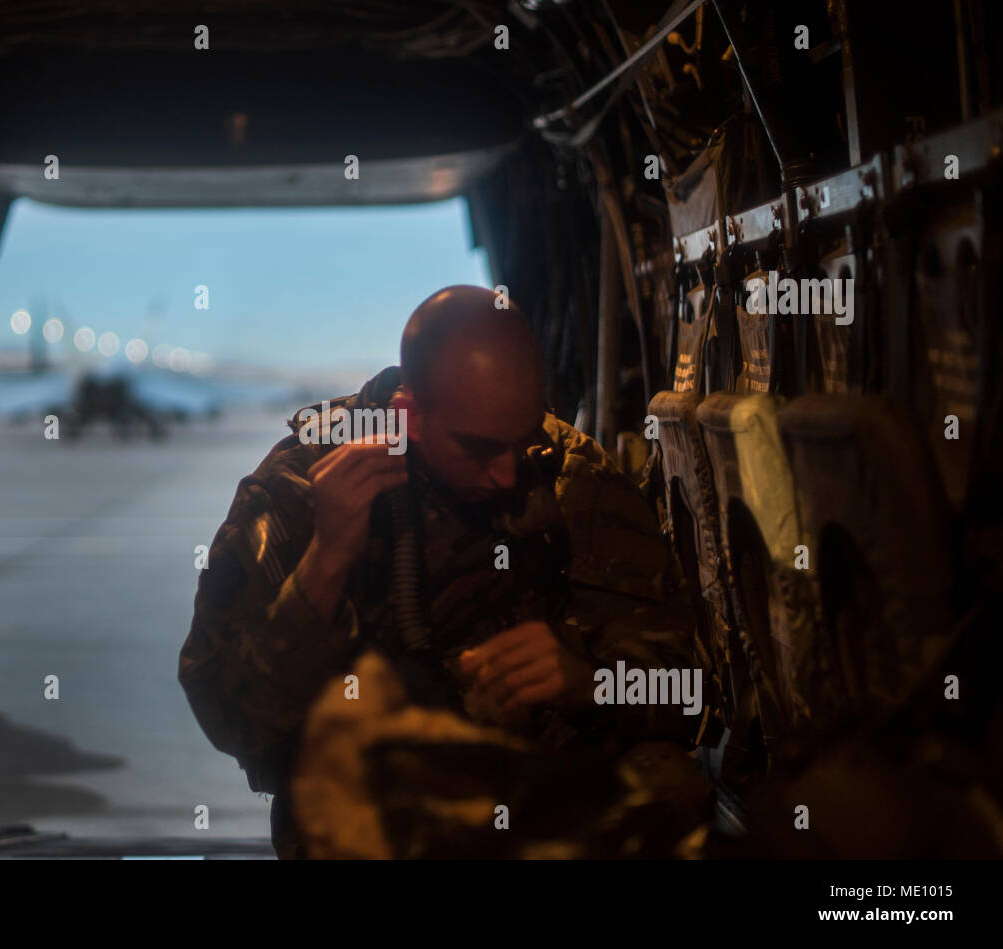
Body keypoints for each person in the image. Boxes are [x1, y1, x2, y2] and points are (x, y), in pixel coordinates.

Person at [178, 285, 701, 857]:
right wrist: (325, 562)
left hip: (543, 798)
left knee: (672, 786)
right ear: (411, 416)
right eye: (479, 450)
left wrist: (589, 682)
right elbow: (230, 720)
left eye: (521, 439)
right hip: (383, 809)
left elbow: (688, 692)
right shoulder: (301, 487)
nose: (506, 475)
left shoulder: (570, 474)